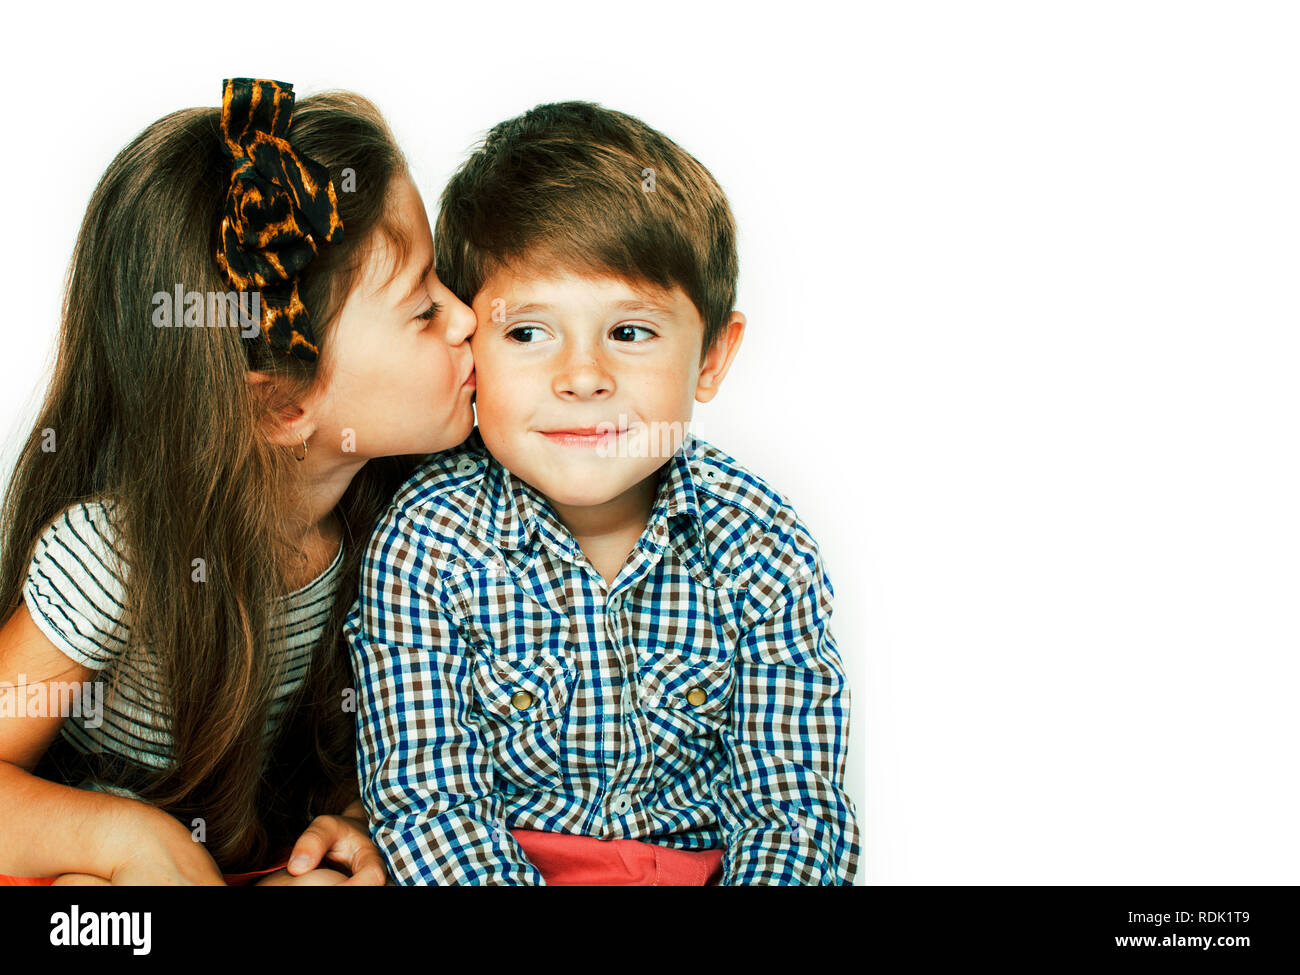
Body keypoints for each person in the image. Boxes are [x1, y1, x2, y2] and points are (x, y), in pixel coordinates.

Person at [346, 100, 860, 884]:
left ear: (713, 359)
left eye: (630, 332)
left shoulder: (760, 544)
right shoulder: (428, 541)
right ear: (467, 341)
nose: (582, 376)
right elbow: (428, 804)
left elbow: (793, 810)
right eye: (527, 333)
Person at [0, 78, 478, 885]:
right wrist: (126, 839)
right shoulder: (110, 562)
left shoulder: (412, 527)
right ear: (285, 401)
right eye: (422, 307)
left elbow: (406, 746)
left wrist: (357, 824)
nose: (467, 315)